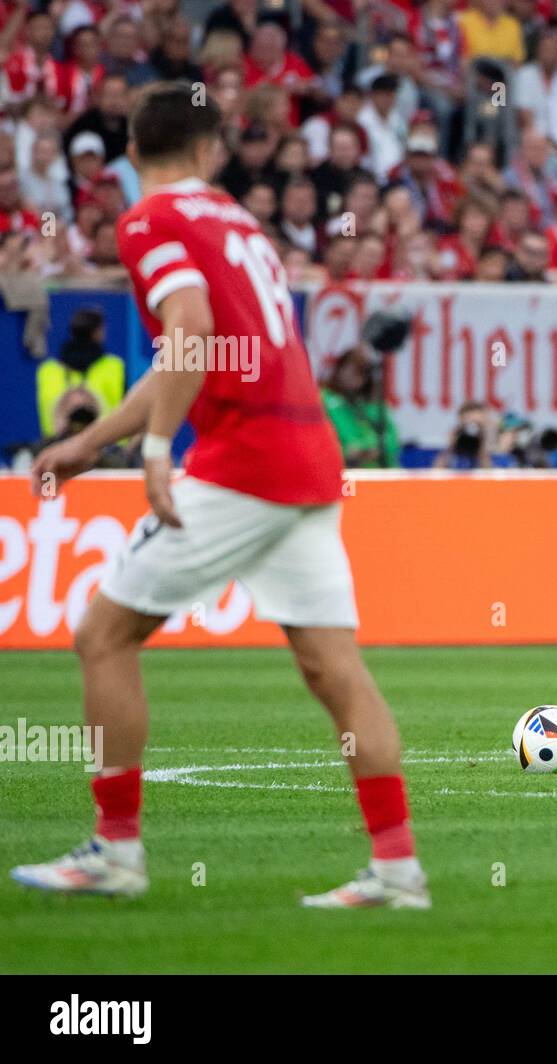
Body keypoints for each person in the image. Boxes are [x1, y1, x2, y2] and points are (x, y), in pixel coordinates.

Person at [12, 83, 429, 910]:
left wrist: (159, 449)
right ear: (210, 150)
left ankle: (116, 851)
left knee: (102, 635)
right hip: (308, 454)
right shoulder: (243, 226)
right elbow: (188, 354)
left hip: (243, 462)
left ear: (133, 153)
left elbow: (190, 335)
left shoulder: (148, 220)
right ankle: (396, 869)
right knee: (332, 666)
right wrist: (95, 446)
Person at [36, 307, 126, 439]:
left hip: (57, 449)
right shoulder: (114, 366)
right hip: (107, 448)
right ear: (98, 333)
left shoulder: (47, 371)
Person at [321, 348, 401, 469]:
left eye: (360, 373)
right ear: (339, 368)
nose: (352, 377)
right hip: (342, 474)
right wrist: (346, 452)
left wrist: (375, 450)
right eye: (349, 370)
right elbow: (317, 441)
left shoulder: (375, 404)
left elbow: (391, 439)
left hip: (379, 475)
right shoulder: (322, 399)